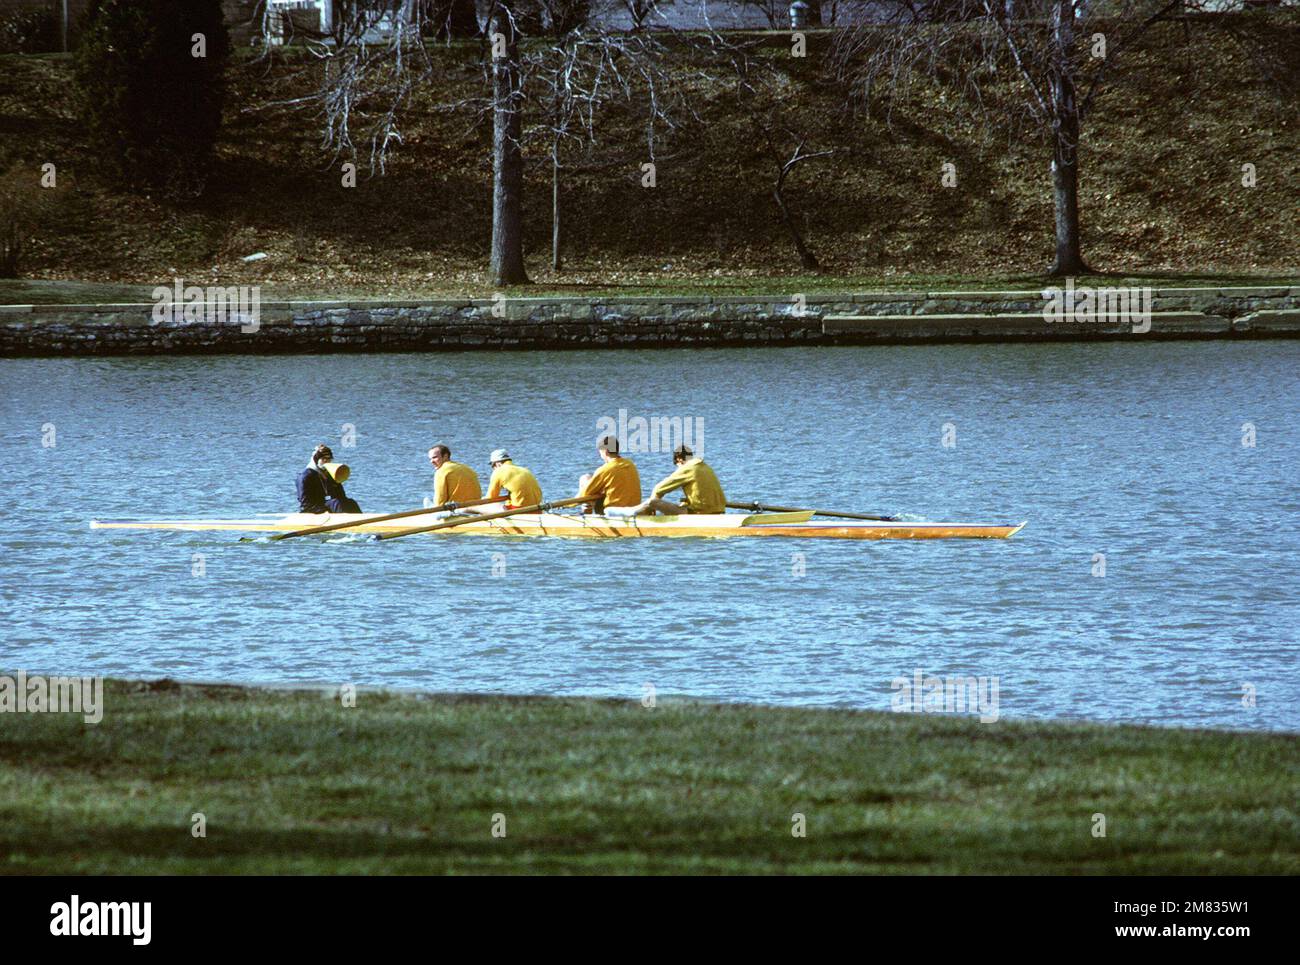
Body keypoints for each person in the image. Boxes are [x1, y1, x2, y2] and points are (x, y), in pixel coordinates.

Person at [631, 445, 726, 515]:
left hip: (700, 513)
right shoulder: (705, 466)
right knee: (683, 504)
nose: (678, 469)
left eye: (677, 466)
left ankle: (643, 519)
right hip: (718, 510)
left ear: (679, 459)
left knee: (652, 502)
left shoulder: (688, 468)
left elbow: (658, 489)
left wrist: (652, 508)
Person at [576, 435, 641, 515]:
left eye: (600, 453)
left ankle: (585, 517)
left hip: (613, 512)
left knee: (585, 478)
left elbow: (585, 494)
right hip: (634, 509)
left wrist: (570, 504)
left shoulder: (605, 469)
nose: (600, 456)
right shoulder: (630, 464)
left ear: (606, 452)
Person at [297, 444, 361, 514]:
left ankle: (362, 522)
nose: (326, 461)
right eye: (323, 458)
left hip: (331, 506)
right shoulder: (305, 476)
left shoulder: (332, 474)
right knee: (336, 503)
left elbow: (342, 496)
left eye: (328, 459)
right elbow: (305, 505)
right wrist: (324, 511)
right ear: (316, 459)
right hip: (313, 510)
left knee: (350, 502)